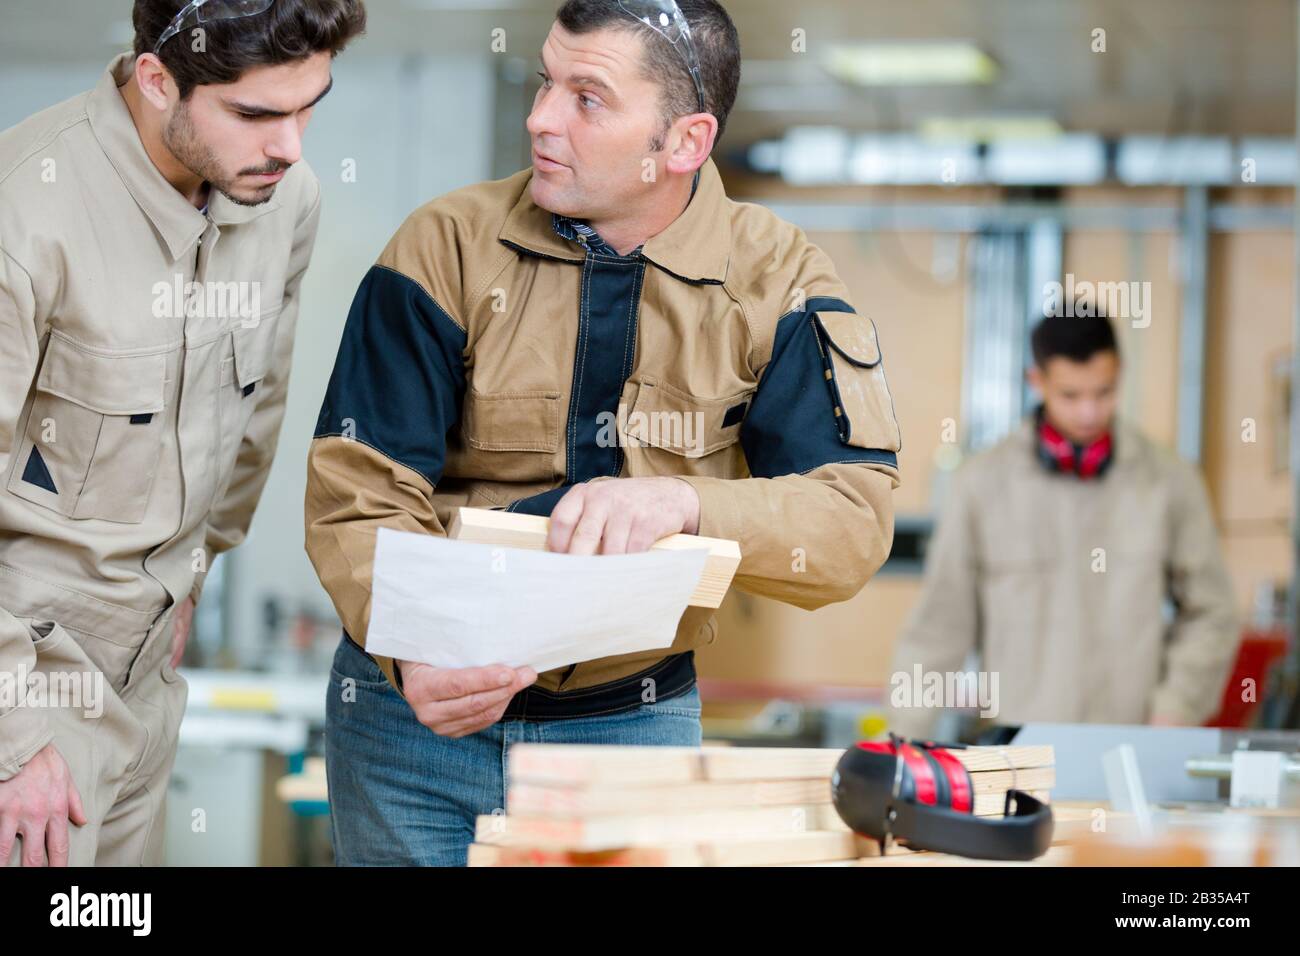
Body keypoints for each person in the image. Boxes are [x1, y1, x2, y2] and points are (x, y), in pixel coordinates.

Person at [306, 0, 903, 865]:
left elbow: (850, 523)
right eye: (546, 80)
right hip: (410, 729)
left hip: (632, 731)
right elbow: (357, 493)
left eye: (587, 98)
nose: (540, 117)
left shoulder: (780, 283)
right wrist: (409, 654)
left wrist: (686, 505)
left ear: (685, 143)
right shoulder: (440, 250)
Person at [0, 0, 366, 866]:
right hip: (29, 680)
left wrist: (197, 570)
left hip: (151, 679)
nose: (291, 146)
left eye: (310, 105)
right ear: (159, 79)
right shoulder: (24, 212)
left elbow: (256, 411)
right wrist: (14, 735)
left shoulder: (286, 202)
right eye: (254, 114)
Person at [887, 311, 1239, 739]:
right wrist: (901, 742)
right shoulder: (980, 485)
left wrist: (1176, 708)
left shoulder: (1170, 482)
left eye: (1104, 392)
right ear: (1036, 381)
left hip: (1132, 748)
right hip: (1015, 754)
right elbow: (939, 627)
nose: (1089, 412)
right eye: (1070, 395)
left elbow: (1213, 612)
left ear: (1120, 373)